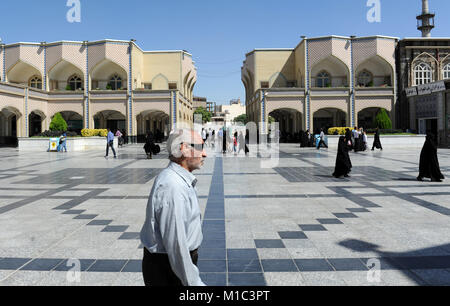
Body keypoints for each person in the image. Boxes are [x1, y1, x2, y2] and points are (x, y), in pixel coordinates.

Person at [140, 128, 207, 286]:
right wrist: (194, 283)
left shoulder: (179, 180)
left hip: (173, 265)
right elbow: (176, 244)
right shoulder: (173, 186)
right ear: (184, 148)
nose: (204, 154)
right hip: (169, 268)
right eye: (200, 147)